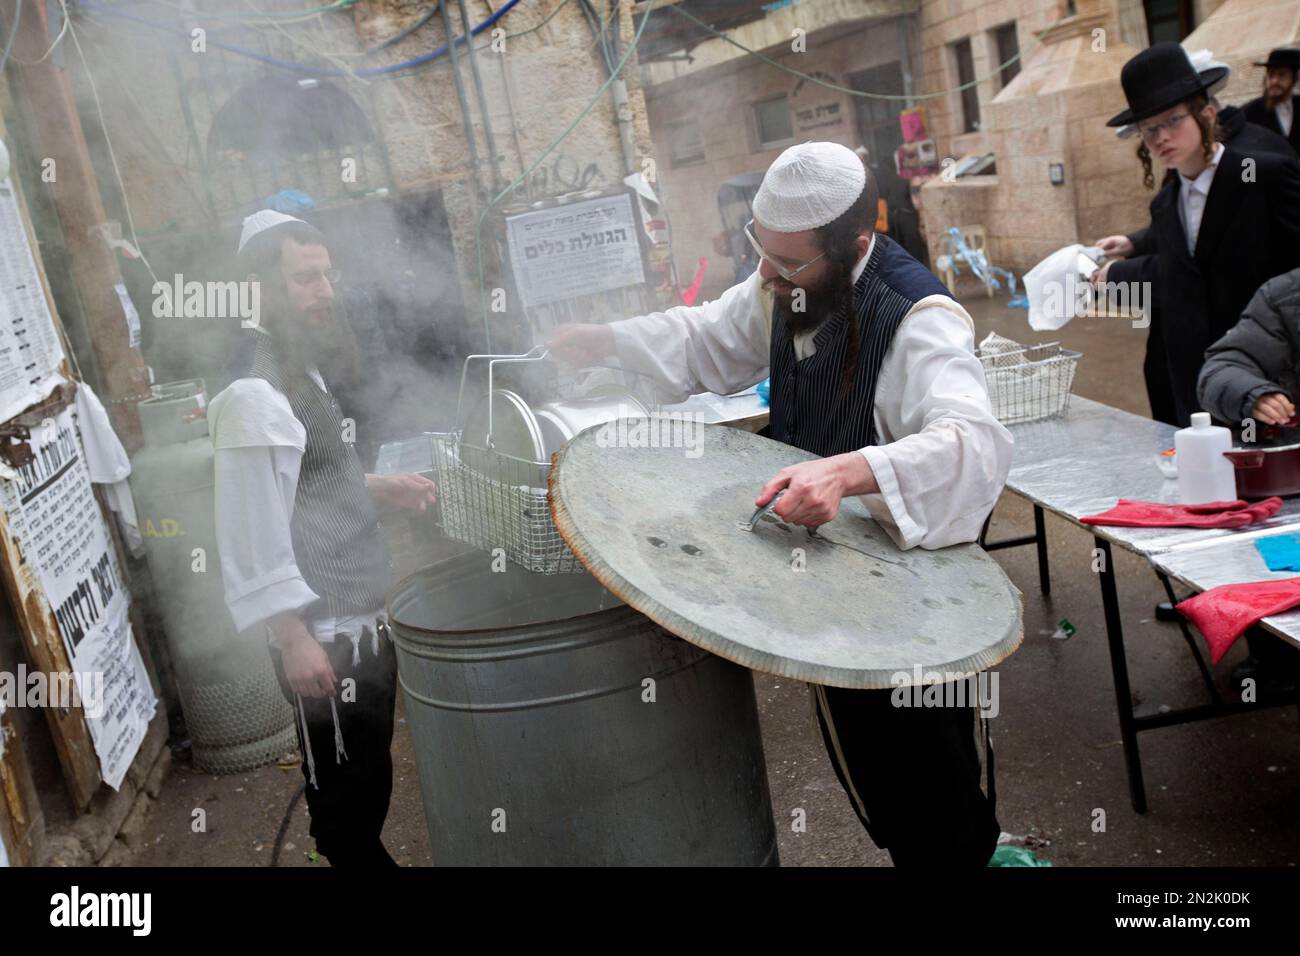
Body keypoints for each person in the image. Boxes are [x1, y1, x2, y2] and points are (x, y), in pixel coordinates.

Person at [548, 142, 1013, 866]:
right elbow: (707, 333)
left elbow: (973, 445)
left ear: (856, 242)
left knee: (932, 774)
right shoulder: (787, 281)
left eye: (790, 262)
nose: (768, 275)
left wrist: (851, 472)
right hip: (834, 581)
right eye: (762, 254)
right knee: (876, 771)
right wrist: (605, 341)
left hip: (914, 599)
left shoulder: (920, 317)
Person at [210, 210, 437, 866]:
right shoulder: (252, 390)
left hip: (358, 623)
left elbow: (307, 478)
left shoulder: (297, 368)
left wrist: (377, 487)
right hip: (325, 636)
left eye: (327, 275)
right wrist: (293, 638)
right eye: (305, 279)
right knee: (344, 813)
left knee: (364, 784)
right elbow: (251, 525)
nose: (325, 291)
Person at [1092, 43, 1300, 428]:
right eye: (1149, 129)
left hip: (1267, 387)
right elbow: (1181, 275)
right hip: (1199, 398)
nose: (1160, 138)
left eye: (1173, 121)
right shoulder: (1166, 206)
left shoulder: (1260, 174)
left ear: (1206, 114)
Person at [1242, 48, 1300, 157]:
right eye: (1271, 74)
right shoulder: (1249, 112)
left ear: (1295, 78)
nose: (1274, 81)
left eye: (1282, 75)